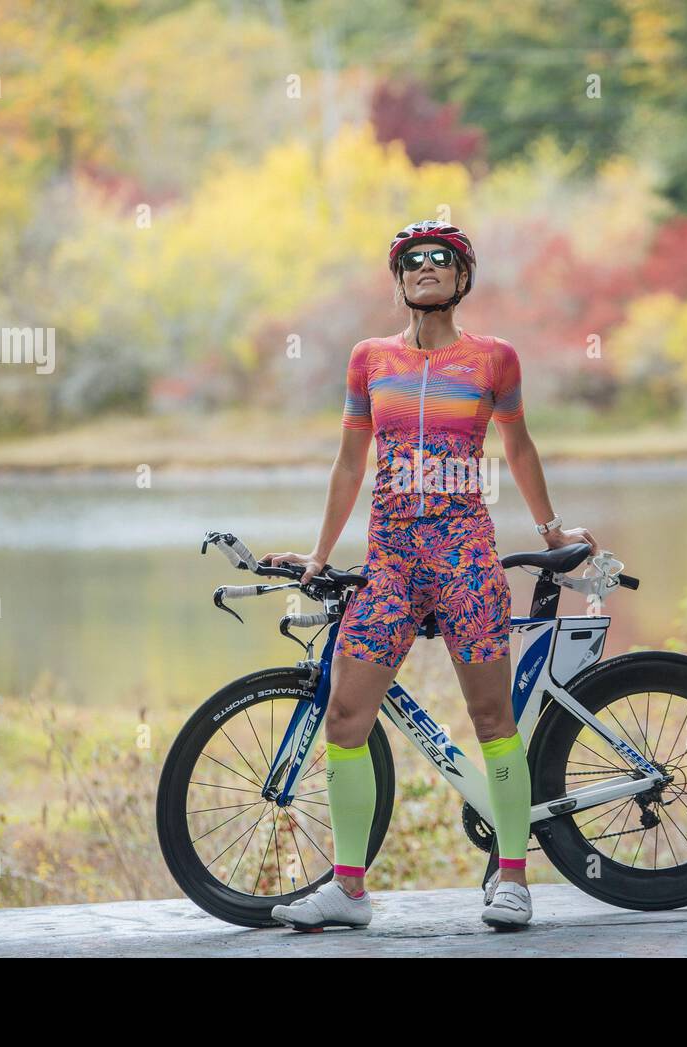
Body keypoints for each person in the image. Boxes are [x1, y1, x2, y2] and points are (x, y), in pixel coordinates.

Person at [263, 219, 598, 931]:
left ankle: (512, 877)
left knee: (491, 717)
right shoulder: (368, 360)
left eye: (439, 259)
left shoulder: (494, 359)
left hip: (465, 555)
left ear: (461, 277)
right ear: (398, 281)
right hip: (390, 560)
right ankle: (348, 890)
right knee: (346, 718)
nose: (424, 268)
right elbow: (350, 462)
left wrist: (552, 532)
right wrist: (320, 558)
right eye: (411, 262)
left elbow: (520, 445)